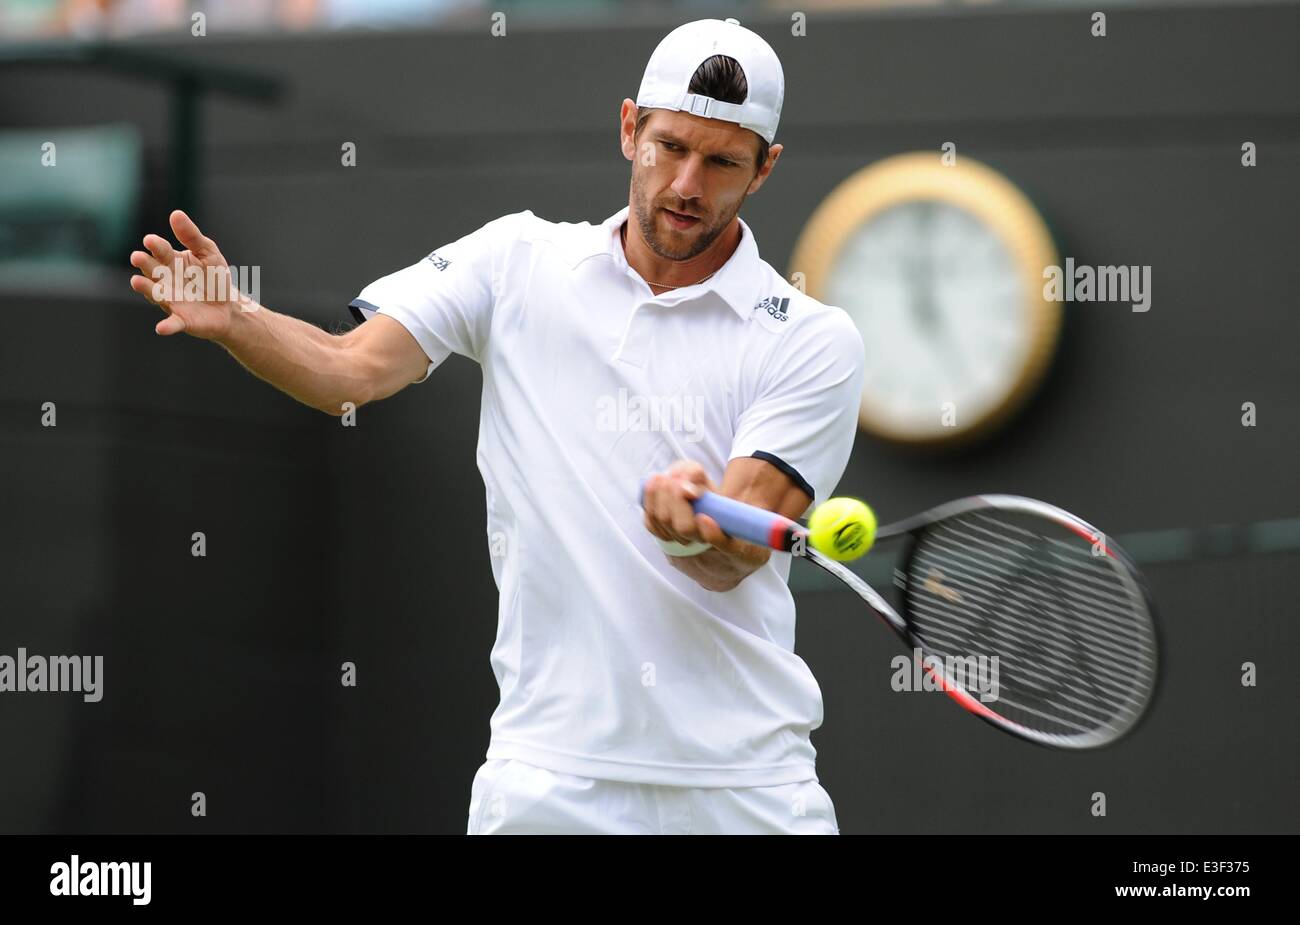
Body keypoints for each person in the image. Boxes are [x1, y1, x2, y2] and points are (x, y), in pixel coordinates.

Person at [127, 18, 865, 834]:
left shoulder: (811, 340)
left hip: (747, 791)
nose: (687, 184)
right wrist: (238, 318)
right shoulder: (514, 261)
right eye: (669, 147)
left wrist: (688, 531)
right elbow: (351, 371)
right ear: (629, 128)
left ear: (765, 168)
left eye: (722, 161)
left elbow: (731, 557)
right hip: (546, 786)